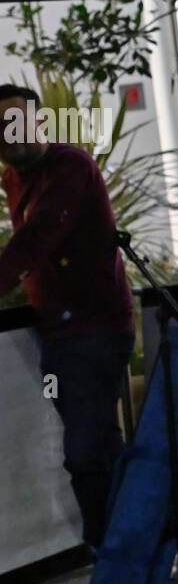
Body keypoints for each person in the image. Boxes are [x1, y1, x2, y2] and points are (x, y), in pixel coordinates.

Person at [0, 84, 135, 554]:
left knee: (85, 450)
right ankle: (127, 549)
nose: (10, 134)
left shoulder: (71, 166)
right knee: (100, 442)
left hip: (95, 327)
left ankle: (107, 546)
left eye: (17, 122)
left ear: (40, 122)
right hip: (59, 329)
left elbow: (37, 239)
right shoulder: (13, 180)